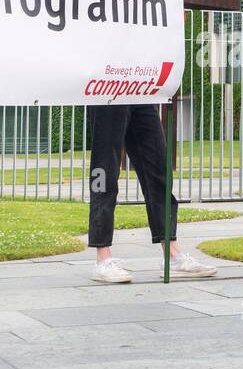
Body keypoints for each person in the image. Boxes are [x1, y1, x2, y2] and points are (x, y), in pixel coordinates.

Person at [87, 103, 217, 283]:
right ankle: (103, 259)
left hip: (141, 92)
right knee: (104, 172)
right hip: (107, 91)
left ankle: (173, 256)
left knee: (159, 171)